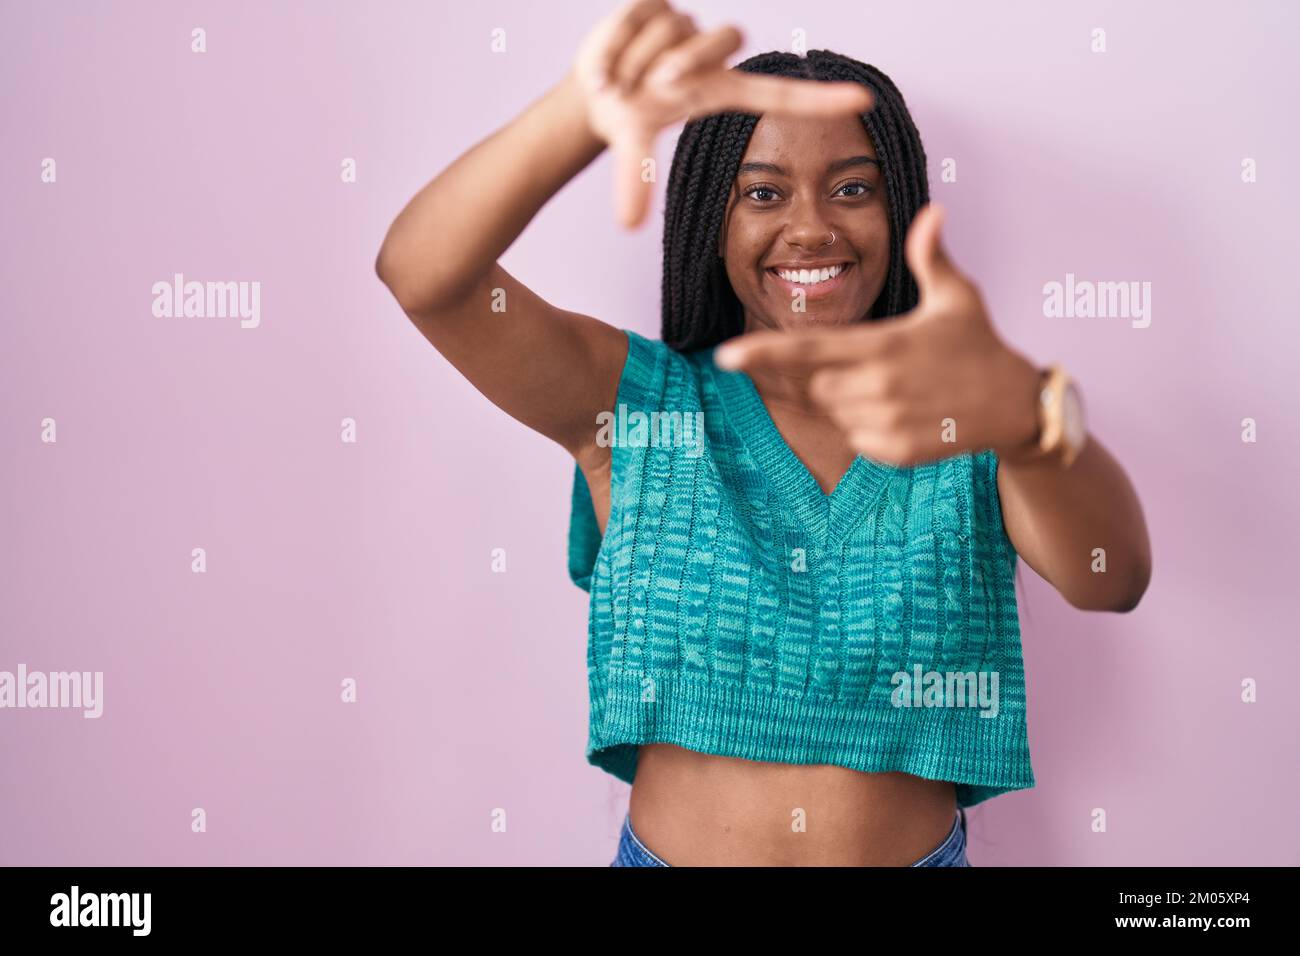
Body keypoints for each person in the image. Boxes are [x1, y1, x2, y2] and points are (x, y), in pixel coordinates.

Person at [375, 0, 1152, 867]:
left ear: (901, 214)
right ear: (713, 216)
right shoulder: (635, 403)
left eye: (854, 188)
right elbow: (423, 277)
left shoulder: (967, 416)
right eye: (763, 193)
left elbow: (1109, 580)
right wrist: (576, 117)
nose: (812, 226)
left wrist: (1028, 419)